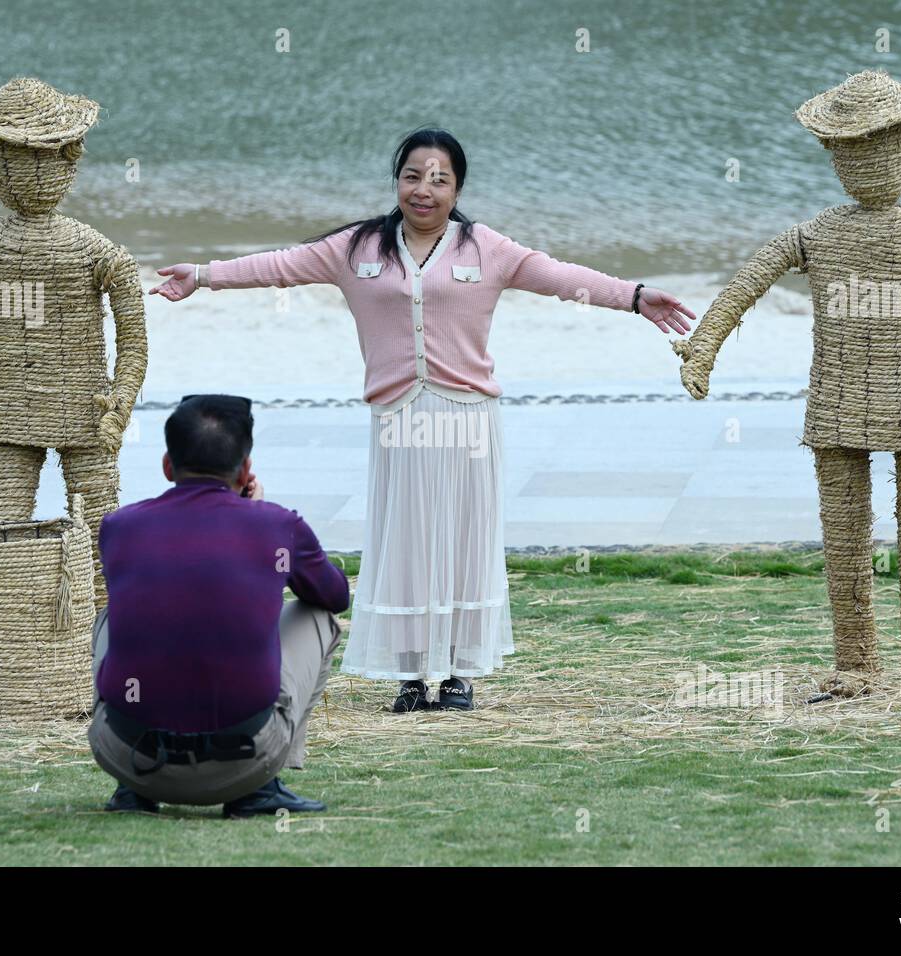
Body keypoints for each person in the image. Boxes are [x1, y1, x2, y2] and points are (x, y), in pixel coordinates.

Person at [150, 128, 694, 714]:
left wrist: (636, 296)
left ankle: (459, 672)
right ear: (397, 181)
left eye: (439, 179)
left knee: (464, 541)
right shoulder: (356, 248)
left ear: (457, 187)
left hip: (468, 419)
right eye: (413, 176)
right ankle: (411, 676)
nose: (424, 190)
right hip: (398, 417)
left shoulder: (484, 247)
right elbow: (279, 266)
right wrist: (203, 275)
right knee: (404, 542)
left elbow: (562, 278)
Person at [87, 394, 351, 815]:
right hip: (245, 760)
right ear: (245, 469)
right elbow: (335, 596)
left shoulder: (119, 525)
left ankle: (131, 794)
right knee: (316, 616)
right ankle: (264, 787)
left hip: (128, 755)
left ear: (168, 466)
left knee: (108, 618)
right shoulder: (278, 524)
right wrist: (257, 519)